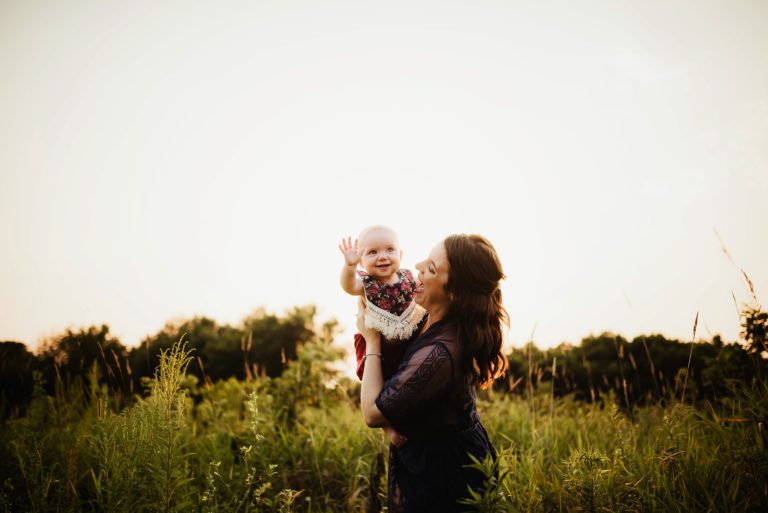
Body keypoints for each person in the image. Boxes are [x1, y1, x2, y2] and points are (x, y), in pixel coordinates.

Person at [357, 234, 508, 512]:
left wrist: (372, 341)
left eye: (430, 268)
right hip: (430, 458)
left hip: (445, 474)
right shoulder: (426, 319)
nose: (416, 266)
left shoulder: (441, 352)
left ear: (454, 292)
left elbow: (372, 413)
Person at [338, 225, 427, 380]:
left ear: (401, 254)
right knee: (385, 382)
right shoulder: (366, 284)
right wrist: (349, 267)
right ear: (361, 261)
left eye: (390, 249)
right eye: (373, 252)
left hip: (410, 344)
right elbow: (349, 286)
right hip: (382, 351)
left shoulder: (407, 277)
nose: (383, 256)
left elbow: (423, 289)